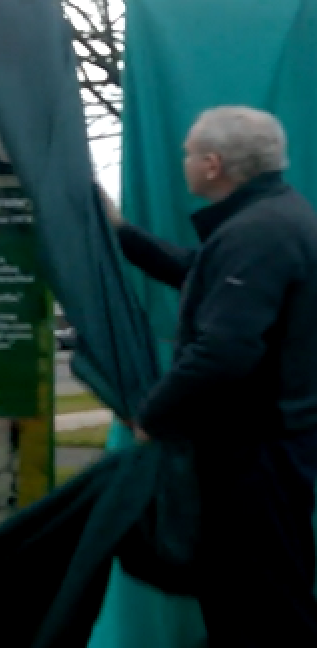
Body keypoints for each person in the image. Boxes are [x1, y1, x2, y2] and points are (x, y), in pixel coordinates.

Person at [102, 106, 317, 646]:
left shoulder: (258, 232)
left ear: (213, 164)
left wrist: (153, 414)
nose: (185, 162)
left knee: (262, 599)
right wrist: (122, 232)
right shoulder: (272, 219)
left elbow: (225, 350)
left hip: (256, 453)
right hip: (267, 444)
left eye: (189, 153)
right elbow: (196, 272)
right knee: (249, 590)